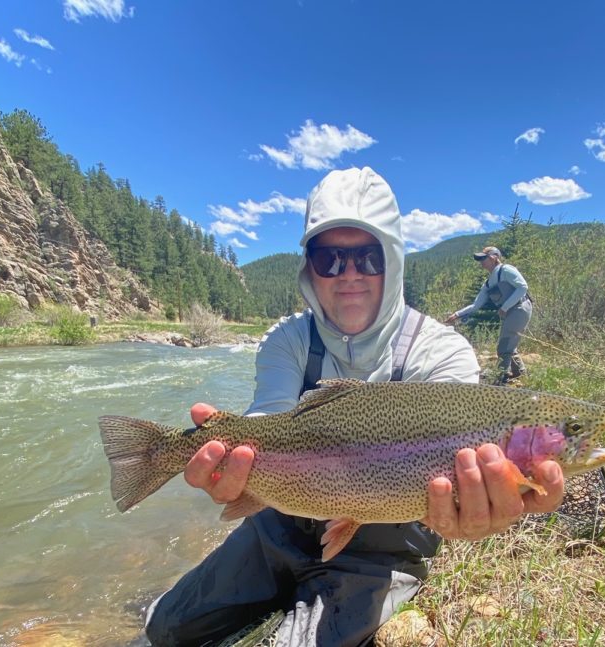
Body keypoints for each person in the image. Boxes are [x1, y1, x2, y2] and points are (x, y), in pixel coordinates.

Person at [144, 168, 564, 646]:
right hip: (281, 520)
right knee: (165, 630)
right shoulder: (288, 340)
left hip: (381, 549)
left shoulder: (441, 352)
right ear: (309, 268)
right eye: (329, 258)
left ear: (395, 261)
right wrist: (231, 465)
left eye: (368, 257)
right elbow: (266, 420)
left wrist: (475, 512)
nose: (349, 274)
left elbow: (464, 459)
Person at [445, 246, 532, 384]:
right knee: (509, 343)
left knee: (504, 345)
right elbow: (476, 305)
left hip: (520, 308)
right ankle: (519, 373)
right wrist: (457, 314)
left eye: (483, 258)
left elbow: (523, 287)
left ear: (494, 257)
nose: (481, 262)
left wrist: (505, 307)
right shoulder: (488, 282)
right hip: (511, 311)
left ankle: (500, 380)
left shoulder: (506, 270)